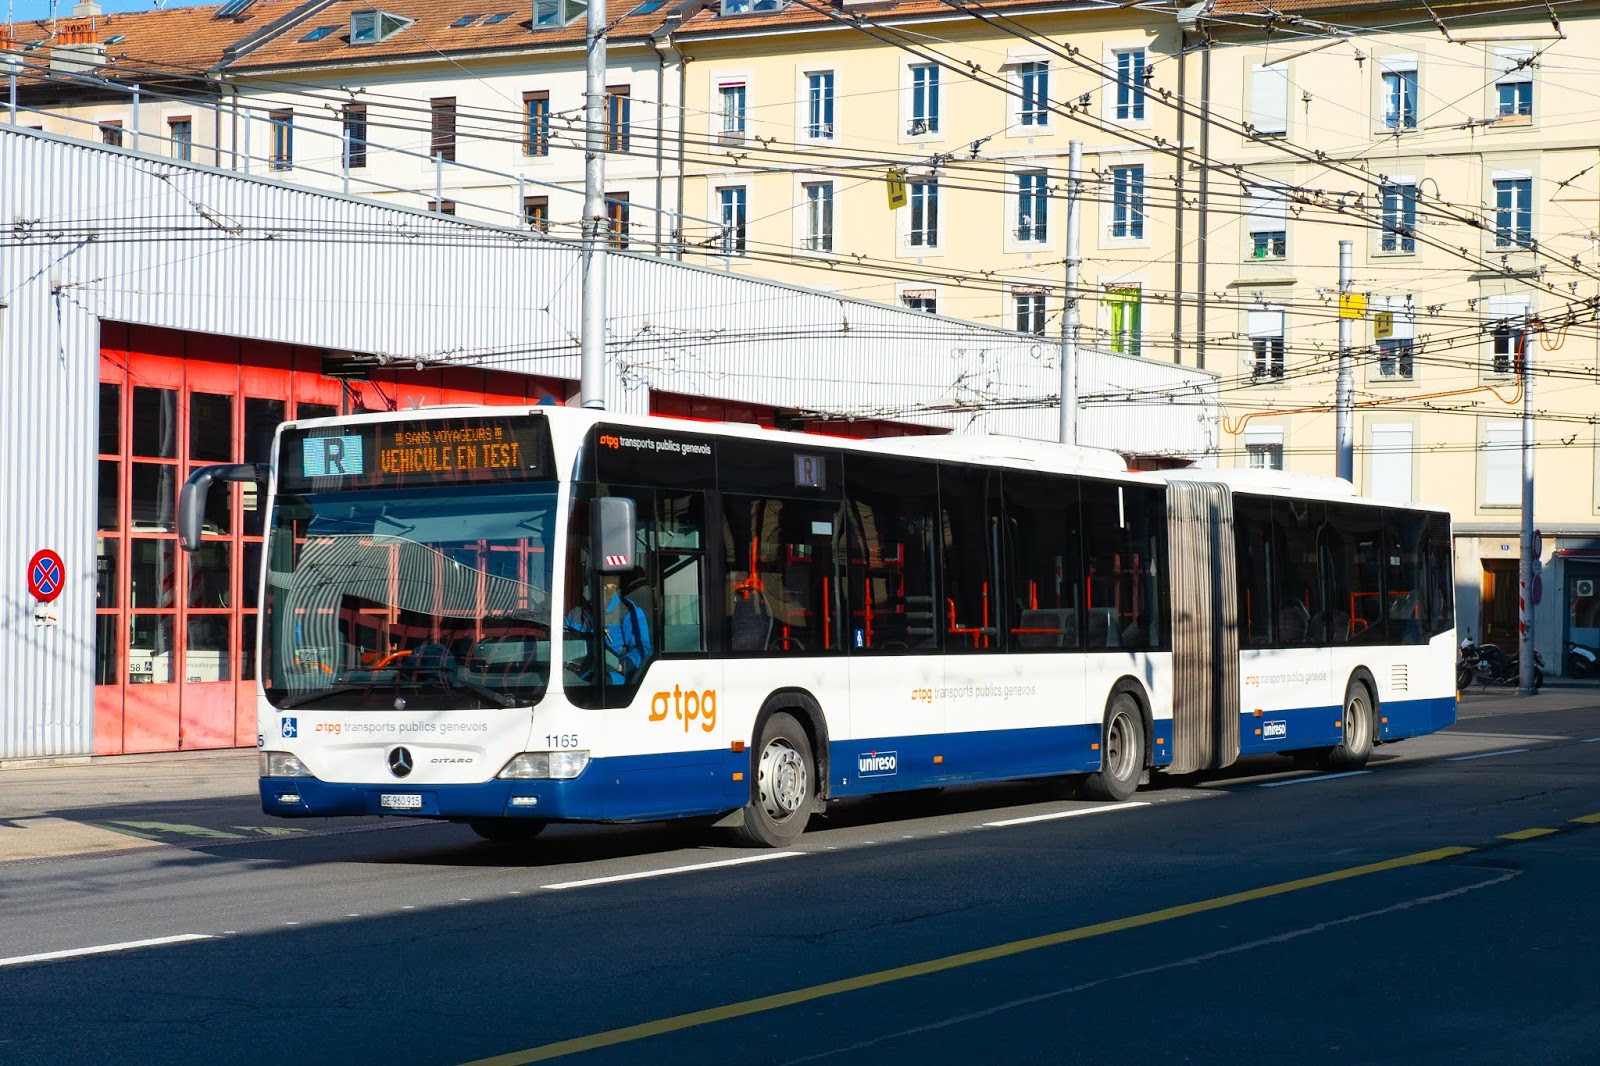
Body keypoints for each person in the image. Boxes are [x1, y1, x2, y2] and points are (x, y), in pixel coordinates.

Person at [566, 573, 653, 684]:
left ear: (616, 583)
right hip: (579, 678)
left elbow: (642, 647)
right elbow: (563, 643)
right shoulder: (576, 613)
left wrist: (623, 665)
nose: (604, 585)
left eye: (609, 580)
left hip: (613, 682)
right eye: (601, 580)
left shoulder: (628, 610)